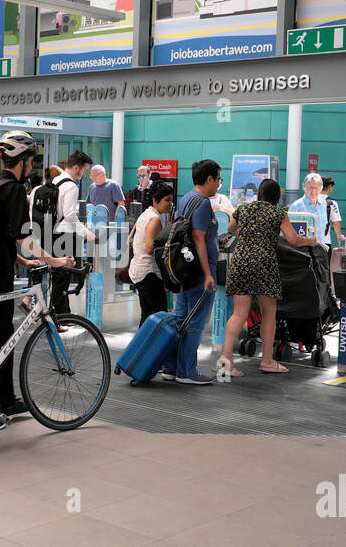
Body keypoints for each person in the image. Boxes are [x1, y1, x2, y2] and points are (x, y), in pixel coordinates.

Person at [0, 129, 73, 433]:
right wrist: (54, 260)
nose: (32, 165)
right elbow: (22, 235)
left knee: (2, 334)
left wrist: (22, 262)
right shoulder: (11, 189)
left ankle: (8, 400)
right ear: (22, 160)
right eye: (31, 160)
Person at [217, 179, 319, 377]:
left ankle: (226, 361)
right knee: (269, 313)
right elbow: (292, 239)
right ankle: (267, 361)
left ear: (259, 194)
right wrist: (311, 241)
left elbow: (230, 228)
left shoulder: (243, 210)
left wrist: (248, 236)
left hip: (241, 261)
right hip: (264, 264)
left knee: (239, 313)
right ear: (276, 197)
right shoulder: (278, 212)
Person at [171, 159, 223, 385]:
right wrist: (208, 274)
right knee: (195, 322)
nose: (218, 184)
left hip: (184, 269)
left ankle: (171, 367)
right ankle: (187, 371)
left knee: (180, 319)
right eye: (218, 179)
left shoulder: (186, 198)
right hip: (199, 271)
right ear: (209, 179)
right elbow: (198, 238)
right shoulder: (202, 203)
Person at [46, 149, 95, 320]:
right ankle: (60, 317)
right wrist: (85, 232)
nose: (85, 173)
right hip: (65, 236)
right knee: (63, 279)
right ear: (76, 167)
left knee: (58, 278)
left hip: (51, 233)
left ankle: (62, 313)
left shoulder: (55, 181)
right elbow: (69, 214)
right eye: (84, 169)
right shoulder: (71, 186)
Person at [128, 180, 174, 325]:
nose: (170, 204)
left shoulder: (145, 214)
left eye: (171, 200)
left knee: (147, 314)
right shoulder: (155, 219)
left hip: (138, 271)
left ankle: (142, 346)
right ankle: (153, 346)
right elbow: (149, 248)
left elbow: (130, 237)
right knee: (159, 314)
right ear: (155, 200)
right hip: (150, 273)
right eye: (167, 200)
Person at [289, 173, 330, 249]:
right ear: (304, 188)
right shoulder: (297, 206)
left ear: (321, 188)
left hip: (320, 250)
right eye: (310, 187)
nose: (313, 191)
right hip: (303, 251)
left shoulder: (323, 204)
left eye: (316, 188)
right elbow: (289, 233)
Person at [320, 176, 344, 247]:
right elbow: (336, 223)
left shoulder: (310, 200)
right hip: (325, 241)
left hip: (308, 240)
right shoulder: (331, 203)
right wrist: (339, 236)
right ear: (330, 187)